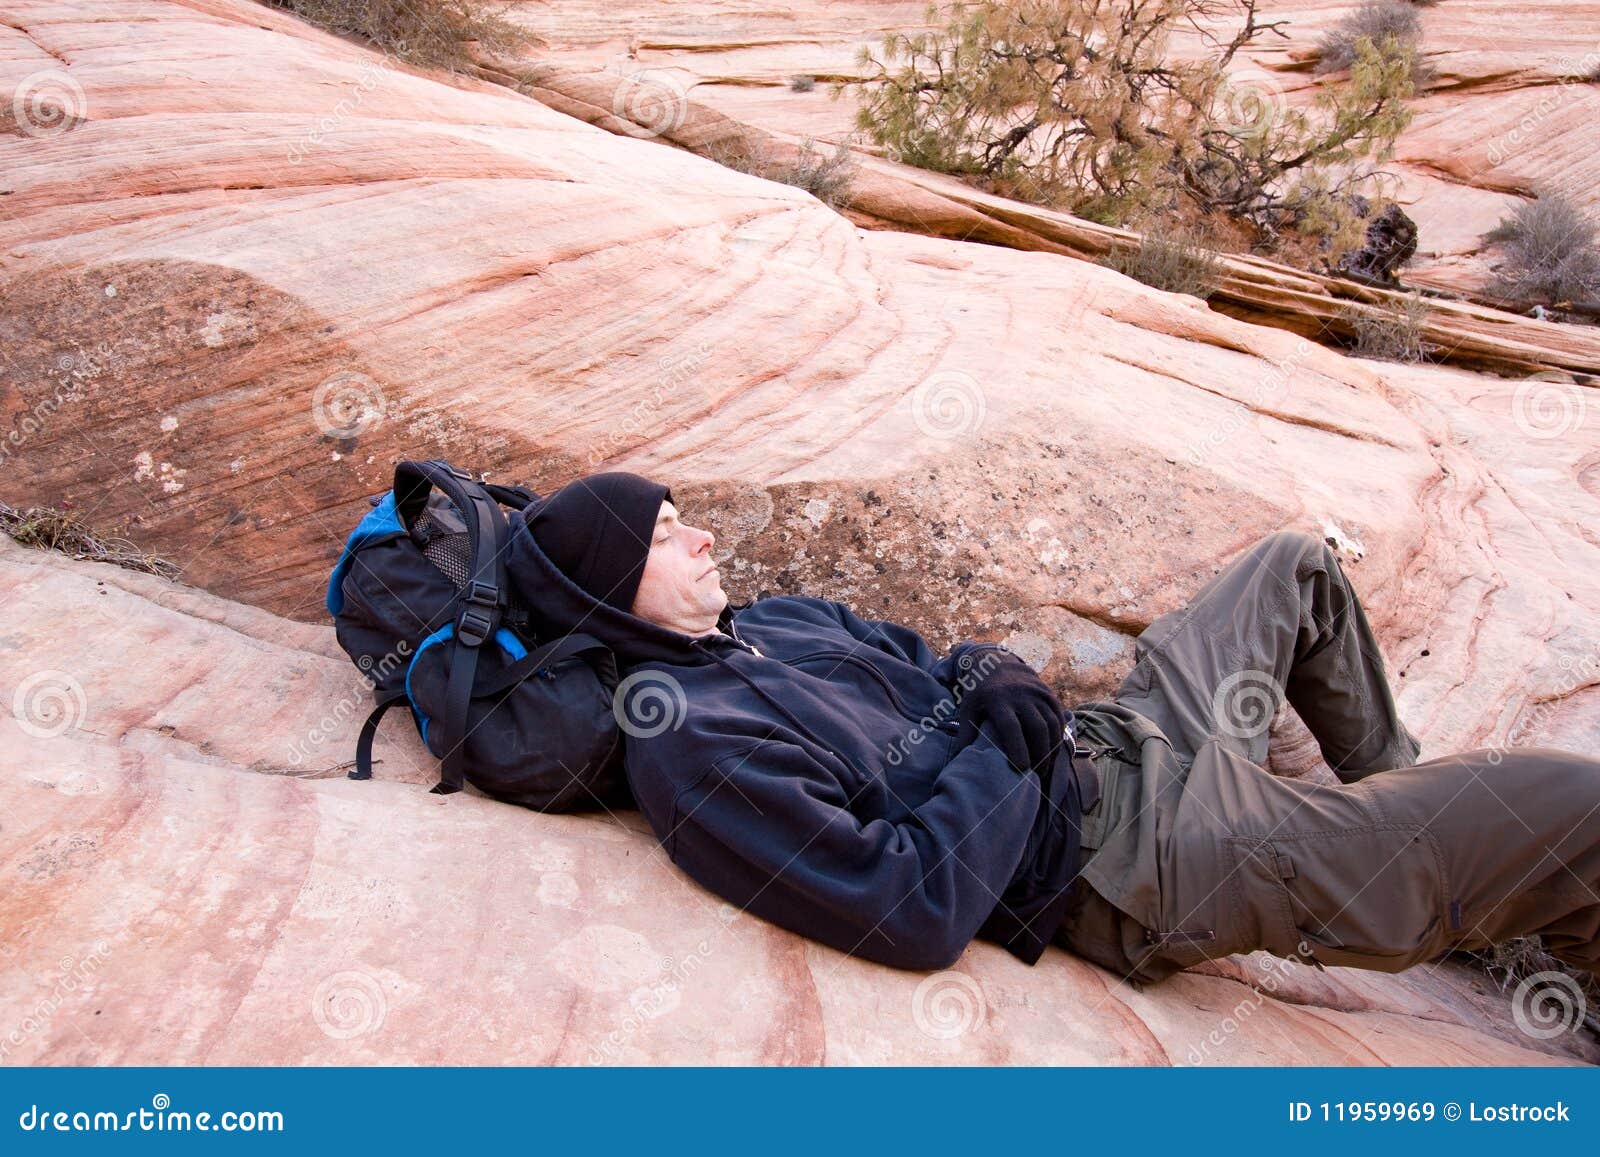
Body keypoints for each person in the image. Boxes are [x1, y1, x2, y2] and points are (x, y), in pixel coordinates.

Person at [505, 471, 1600, 986]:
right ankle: (1447, 862)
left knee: (1296, 564)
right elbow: (906, 907)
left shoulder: (775, 622)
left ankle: (1408, 816)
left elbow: (941, 660)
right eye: (662, 534)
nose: (699, 536)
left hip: (1121, 744)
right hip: (1132, 863)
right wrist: (1005, 736)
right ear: (608, 588)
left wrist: (993, 675)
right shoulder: (693, 743)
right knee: (1579, 804)